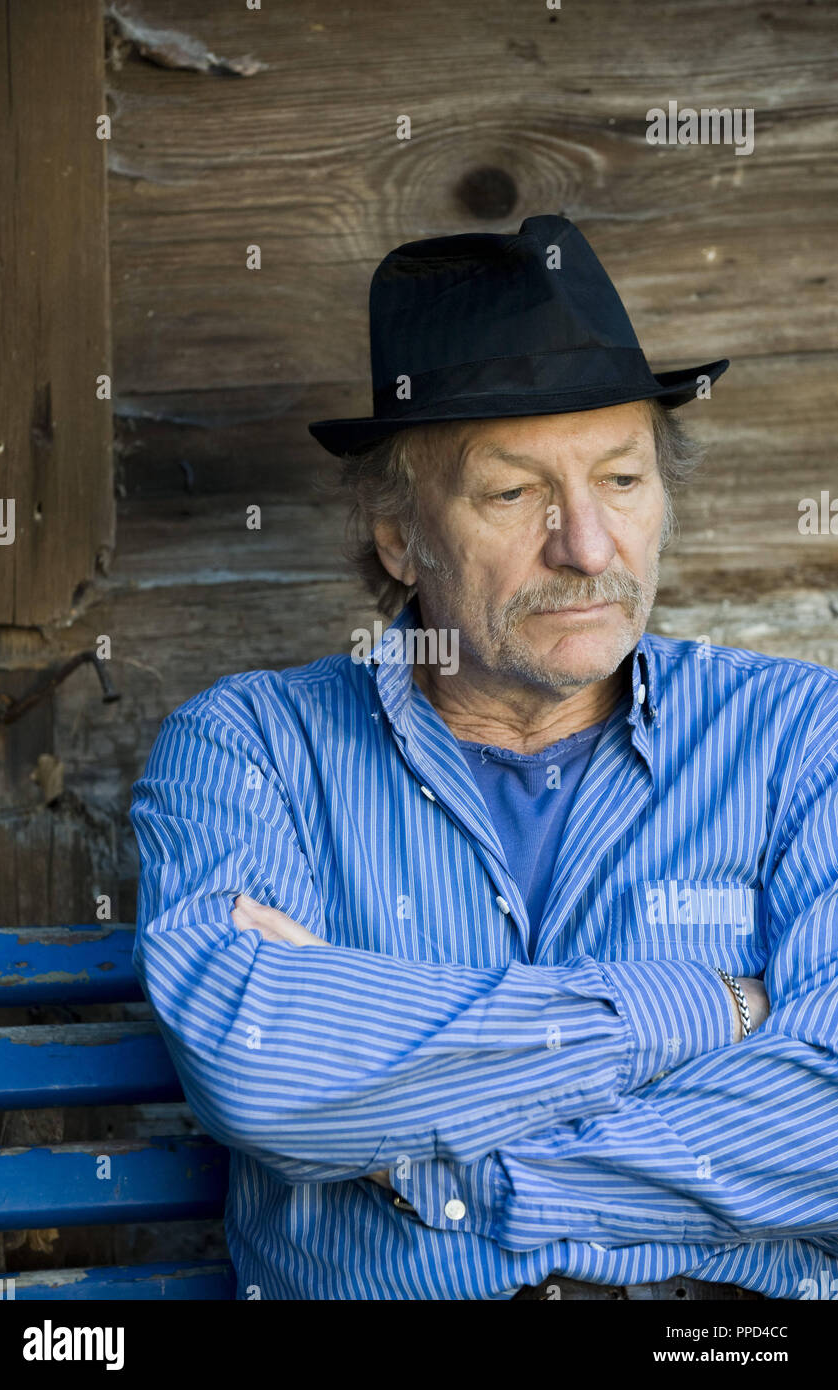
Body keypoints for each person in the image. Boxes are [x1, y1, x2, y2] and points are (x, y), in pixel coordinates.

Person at [131, 215, 838, 1300]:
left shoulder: (800, 740)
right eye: (513, 494)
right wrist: (708, 1011)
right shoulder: (252, 749)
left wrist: (441, 1155)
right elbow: (262, 1068)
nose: (588, 547)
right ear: (398, 533)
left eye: (620, 480)